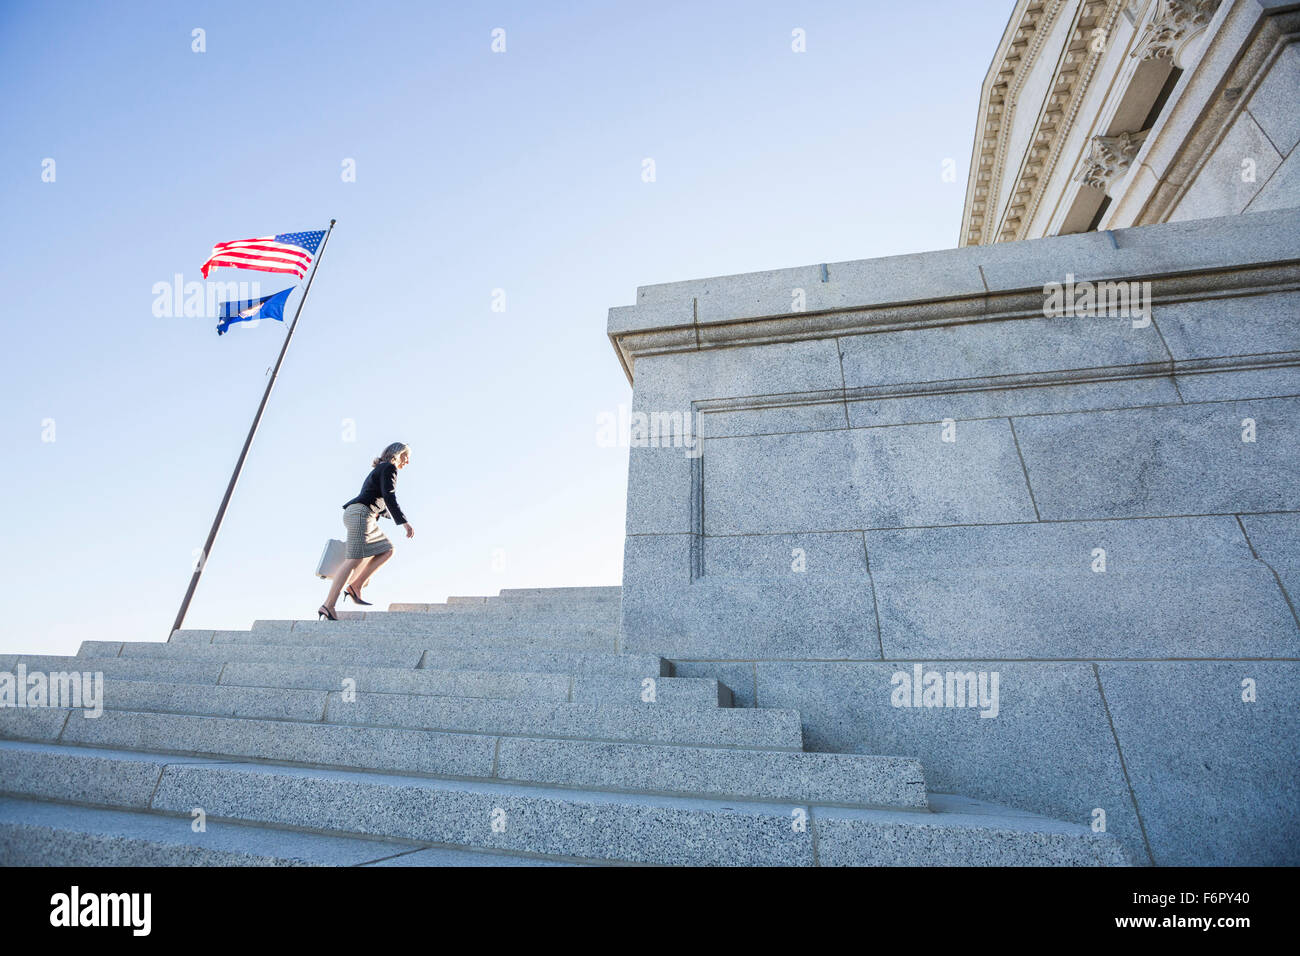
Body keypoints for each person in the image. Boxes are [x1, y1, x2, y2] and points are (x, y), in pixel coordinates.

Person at [318, 442, 414, 621]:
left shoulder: (382, 468)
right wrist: (404, 522)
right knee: (353, 559)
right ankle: (328, 605)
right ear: (398, 454)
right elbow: (389, 495)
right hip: (361, 514)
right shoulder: (389, 467)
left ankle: (355, 585)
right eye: (406, 457)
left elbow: (378, 497)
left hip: (365, 516)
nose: (407, 462)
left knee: (387, 549)